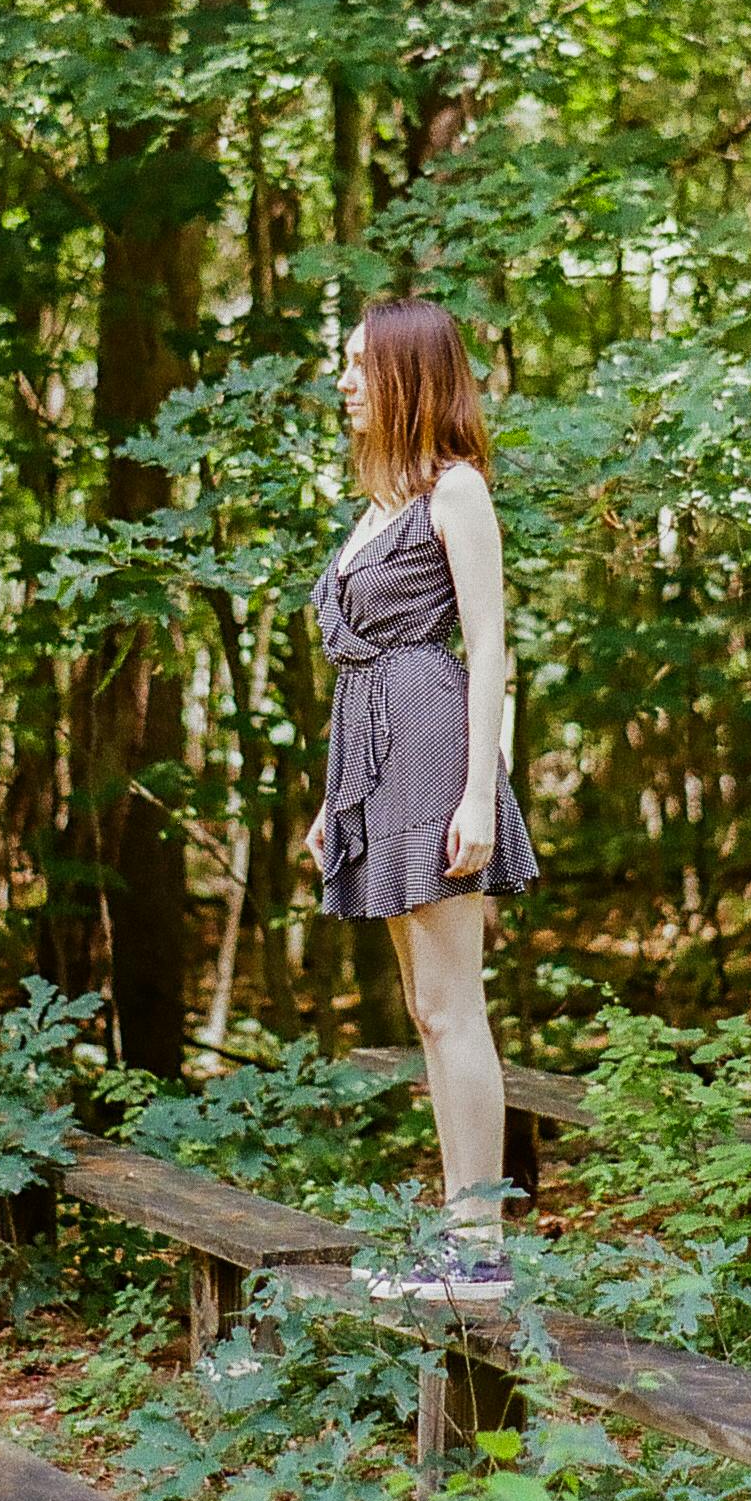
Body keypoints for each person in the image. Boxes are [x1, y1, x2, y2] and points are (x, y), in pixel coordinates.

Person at [307, 294, 538, 1302]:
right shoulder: (376, 508)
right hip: (377, 756)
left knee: (453, 1006)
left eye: (361, 363)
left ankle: (479, 1242)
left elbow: (488, 645)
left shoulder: (456, 494)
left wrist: (479, 791)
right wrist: (333, 802)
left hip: (439, 748)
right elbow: (358, 666)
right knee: (423, 1006)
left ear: (408, 374)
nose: (344, 379)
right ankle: (456, 1230)